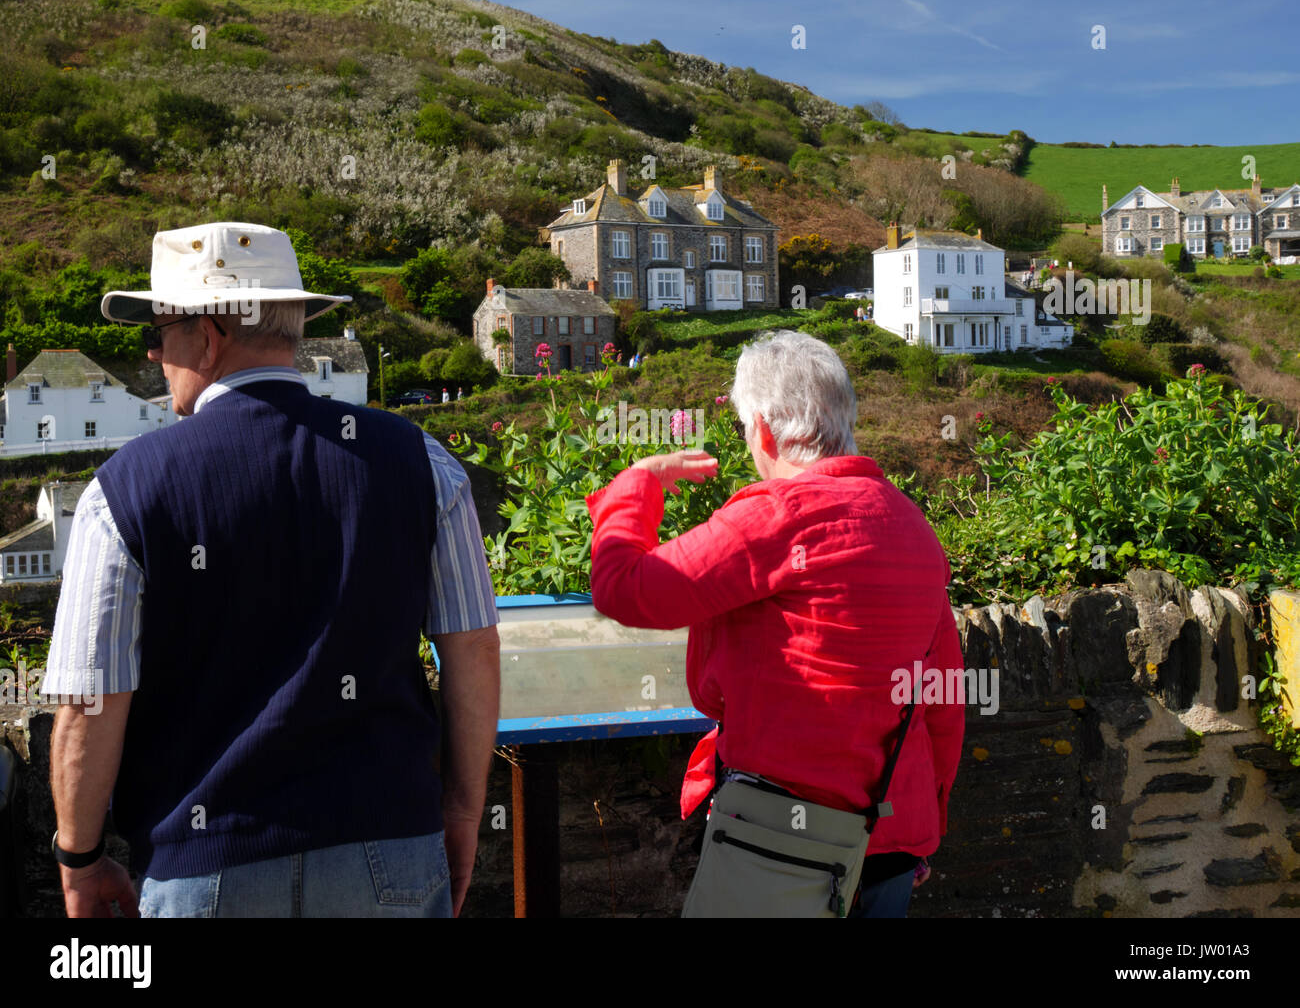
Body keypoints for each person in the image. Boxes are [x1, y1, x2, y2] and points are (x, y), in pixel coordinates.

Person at [42, 222, 500, 918]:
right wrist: (464, 810)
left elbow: (87, 702)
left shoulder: (122, 492)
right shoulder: (422, 463)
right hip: (391, 852)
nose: (153, 353)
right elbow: (473, 648)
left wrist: (79, 858)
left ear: (208, 335)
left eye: (161, 331)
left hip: (207, 871)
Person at [586, 330, 964, 917]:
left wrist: (639, 482)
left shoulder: (772, 517)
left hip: (781, 841)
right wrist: (924, 827)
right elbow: (943, 698)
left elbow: (624, 588)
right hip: (889, 835)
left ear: (761, 429)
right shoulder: (910, 525)